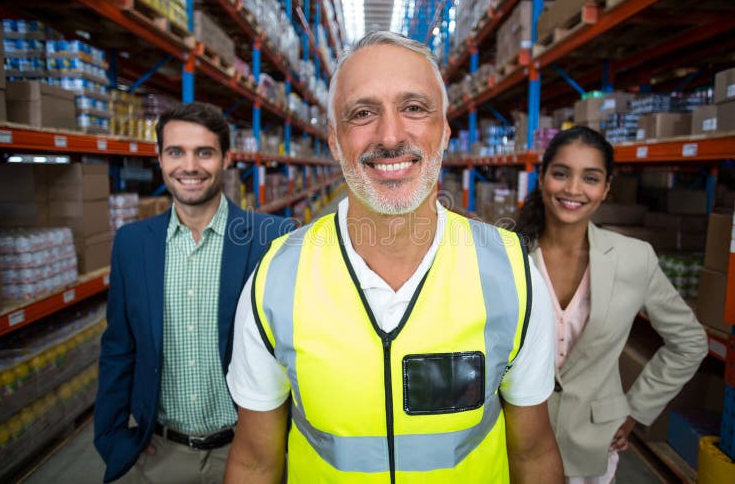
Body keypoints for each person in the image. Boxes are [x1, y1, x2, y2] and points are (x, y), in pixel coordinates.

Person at [224, 31, 563, 483]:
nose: (389, 136)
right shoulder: (276, 279)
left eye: (414, 108)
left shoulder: (512, 274)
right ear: (334, 141)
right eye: (362, 113)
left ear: (445, 131)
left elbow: (534, 454)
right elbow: (254, 462)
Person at [94, 101, 293, 483]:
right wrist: (113, 437)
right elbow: (118, 347)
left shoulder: (271, 238)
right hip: (160, 453)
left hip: (248, 450)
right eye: (175, 152)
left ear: (227, 158)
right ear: (159, 158)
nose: (189, 166)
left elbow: (293, 348)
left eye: (204, 152)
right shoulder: (132, 244)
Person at [516, 126, 709, 482]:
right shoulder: (508, 253)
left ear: (606, 188)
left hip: (592, 444)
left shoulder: (634, 258)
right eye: (561, 173)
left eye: (590, 178)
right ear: (542, 178)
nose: (573, 189)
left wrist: (636, 409)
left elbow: (690, 342)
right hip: (513, 438)